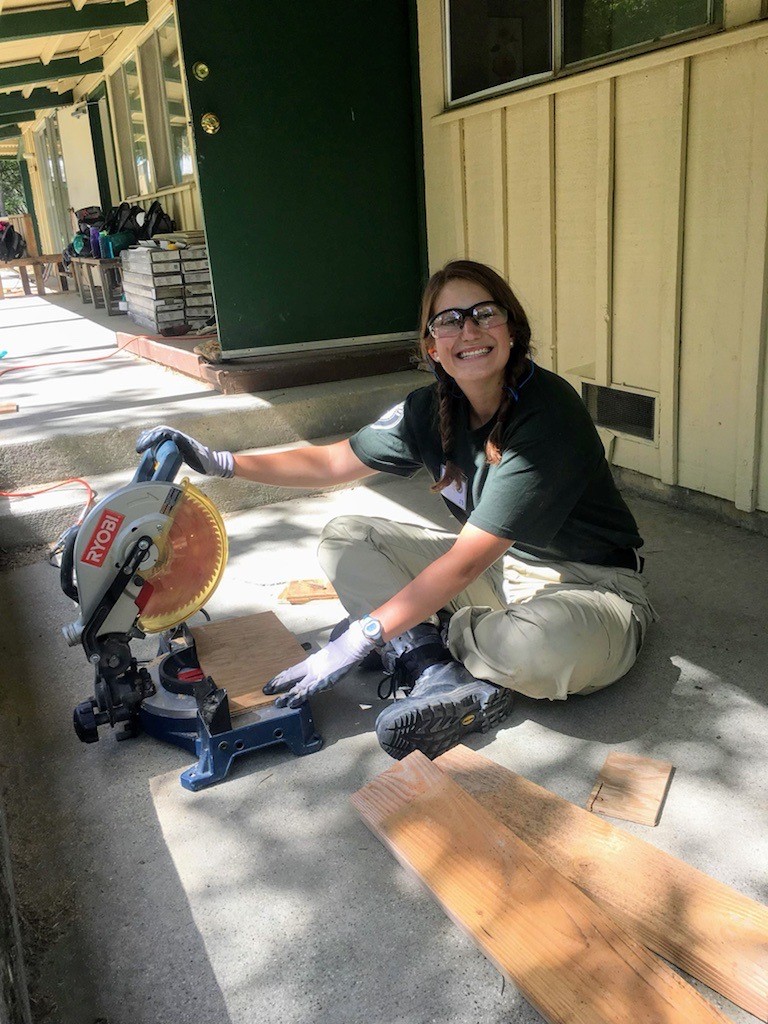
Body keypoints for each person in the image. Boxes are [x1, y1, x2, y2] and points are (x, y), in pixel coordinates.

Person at [137, 259, 655, 761]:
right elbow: (332, 462)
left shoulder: (549, 412)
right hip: (500, 571)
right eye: (448, 321)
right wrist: (221, 461)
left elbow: (466, 561)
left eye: (484, 313)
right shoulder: (428, 409)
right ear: (431, 347)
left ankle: (416, 636)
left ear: (513, 329)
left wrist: (368, 631)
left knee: (538, 652)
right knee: (346, 536)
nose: (468, 330)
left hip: (588, 585)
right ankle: (432, 663)